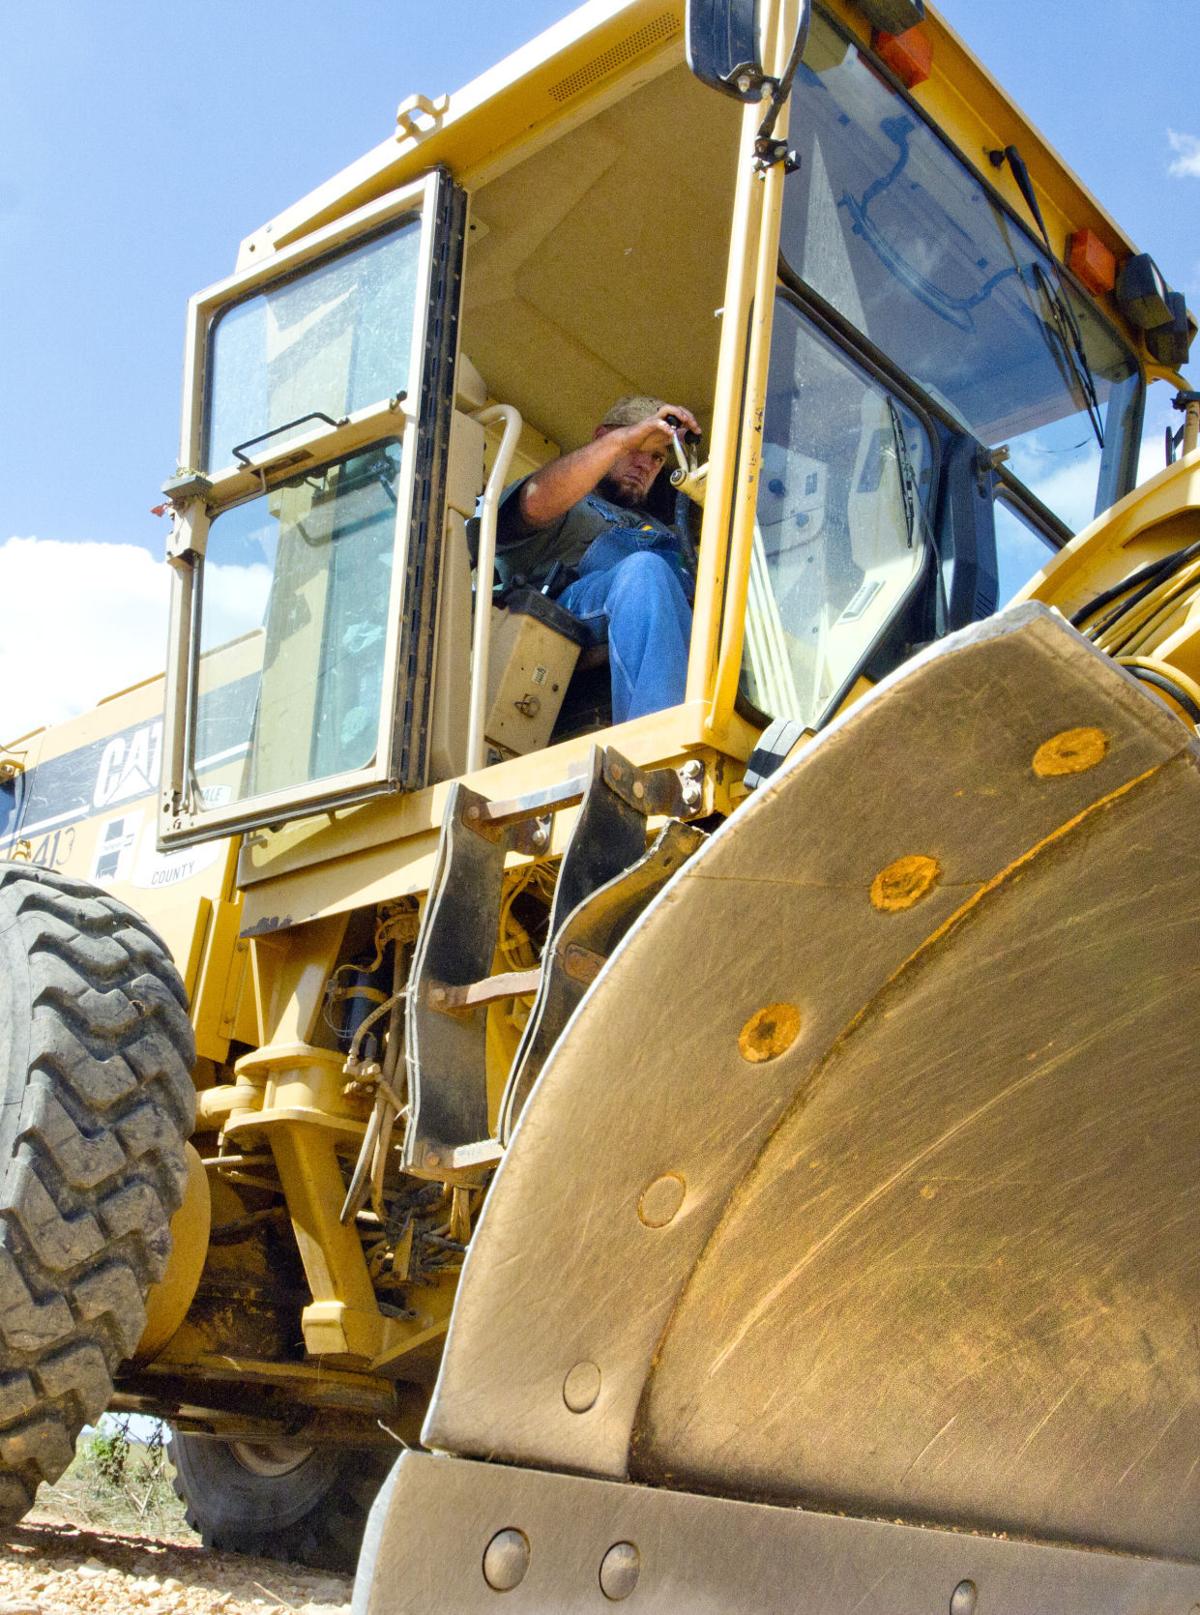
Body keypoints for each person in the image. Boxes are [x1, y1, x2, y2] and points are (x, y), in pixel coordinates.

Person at [495, 396, 702, 723]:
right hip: (563, 614)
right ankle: (660, 743)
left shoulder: (664, 529)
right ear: (602, 437)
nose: (644, 465)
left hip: (665, 614)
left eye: (657, 458)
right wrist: (624, 441)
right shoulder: (568, 496)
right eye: (638, 448)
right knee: (645, 571)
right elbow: (534, 504)